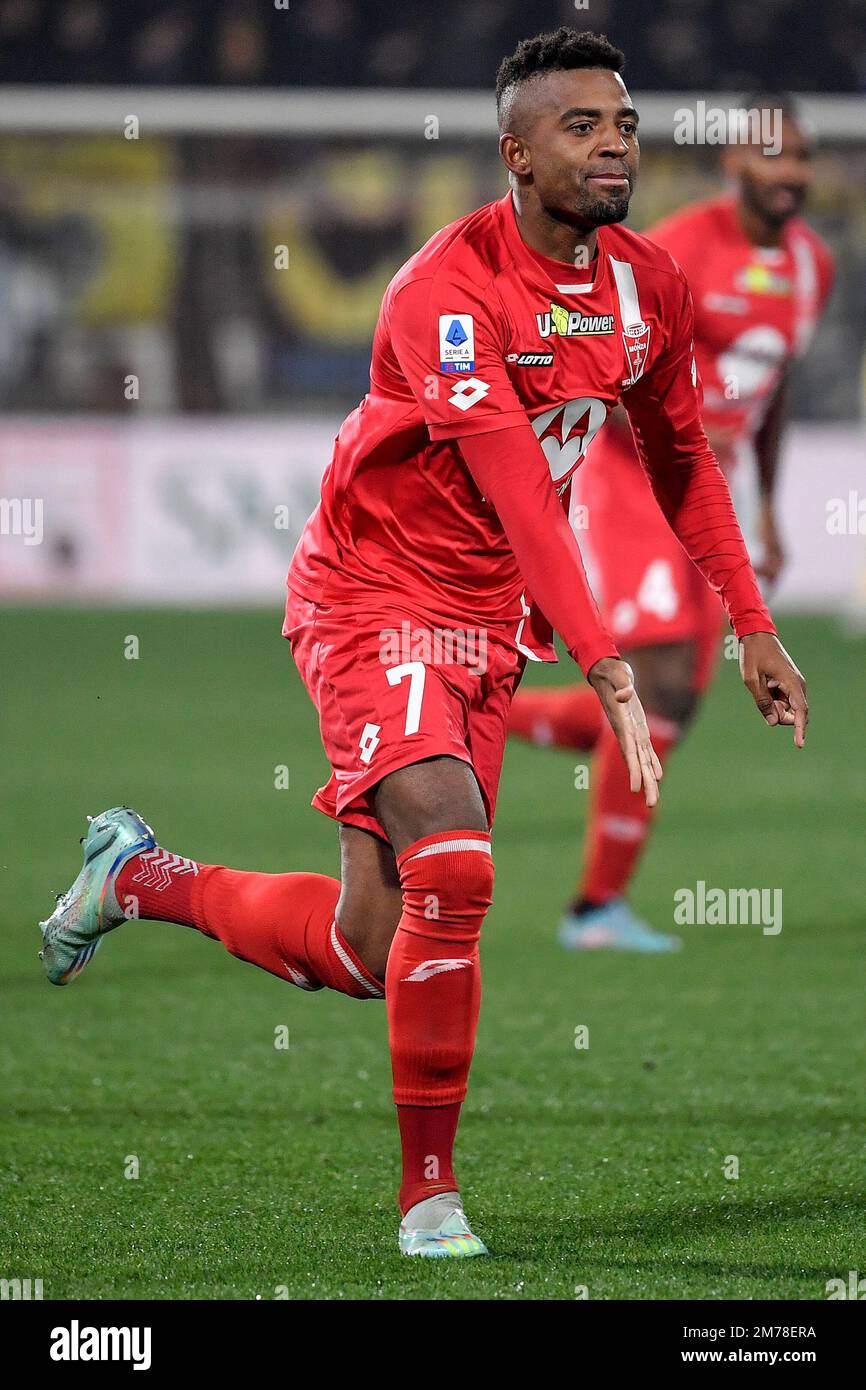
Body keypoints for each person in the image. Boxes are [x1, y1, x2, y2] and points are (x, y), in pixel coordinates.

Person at [39, 30, 808, 1259]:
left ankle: (137, 877)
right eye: (579, 125)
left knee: (364, 950)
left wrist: (753, 626)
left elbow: (680, 461)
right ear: (513, 154)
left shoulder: (644, 286)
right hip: (375, 595)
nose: (613, 141)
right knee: (455, 869)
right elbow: (511, 482)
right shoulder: (444, 292)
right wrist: (609, 667)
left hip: (490, 619)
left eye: (622, 121)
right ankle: (428, 1199)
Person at [509, 93, 833, 953]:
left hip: (702, 487)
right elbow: (605, 365)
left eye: (801, 157)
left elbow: (777, 392)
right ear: (735, 164)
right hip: (630, 474)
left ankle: (477, 704)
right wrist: (671, 427)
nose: (790, 174)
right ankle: (593, 913)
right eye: (773, 157)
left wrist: (763, 503)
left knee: (672, 708)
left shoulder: (811, 266)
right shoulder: (681, 248)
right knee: (657, 684)